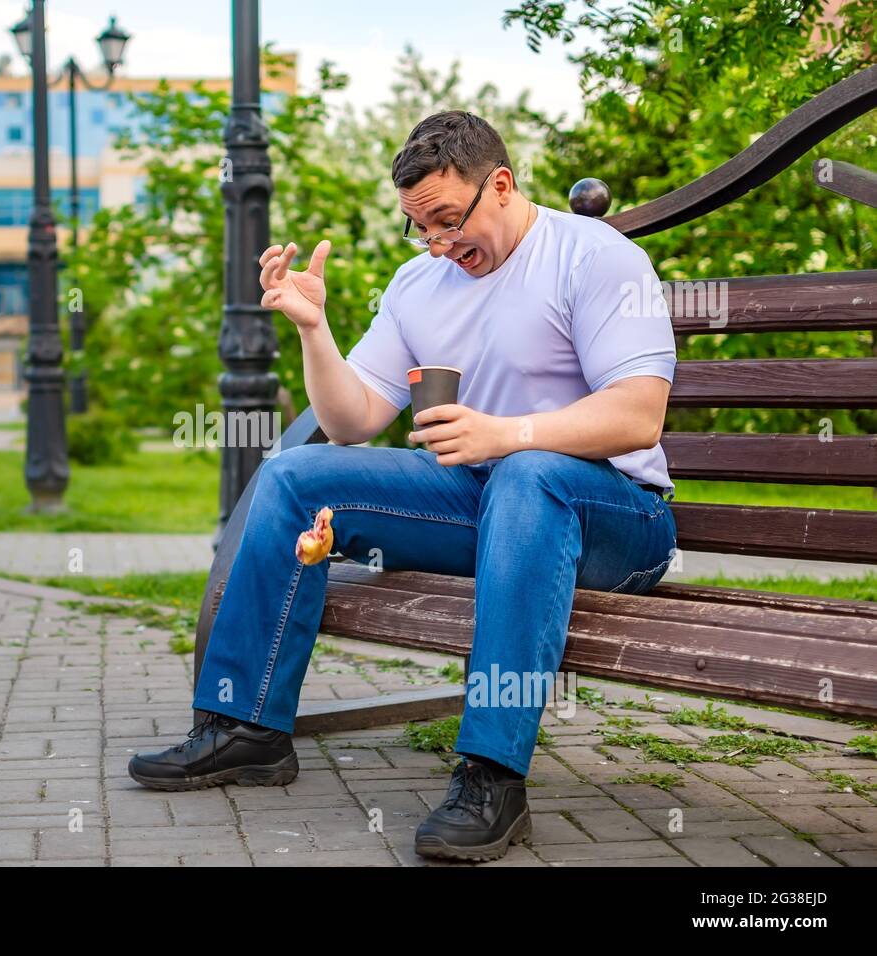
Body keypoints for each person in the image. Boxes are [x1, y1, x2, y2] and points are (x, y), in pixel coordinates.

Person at [127, 111, 679, 863]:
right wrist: (314, 331)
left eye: (451, 222)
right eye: (423, 230)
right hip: (490, 500)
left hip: (617, 518)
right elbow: (353, 419)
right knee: (293, 476)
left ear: (503, 185)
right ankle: (245, 729)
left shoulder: (591, 257)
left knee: (527, 475)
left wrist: (507, 434)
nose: (442, 246)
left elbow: (639, 414)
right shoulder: (420, 282)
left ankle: (491, 775)